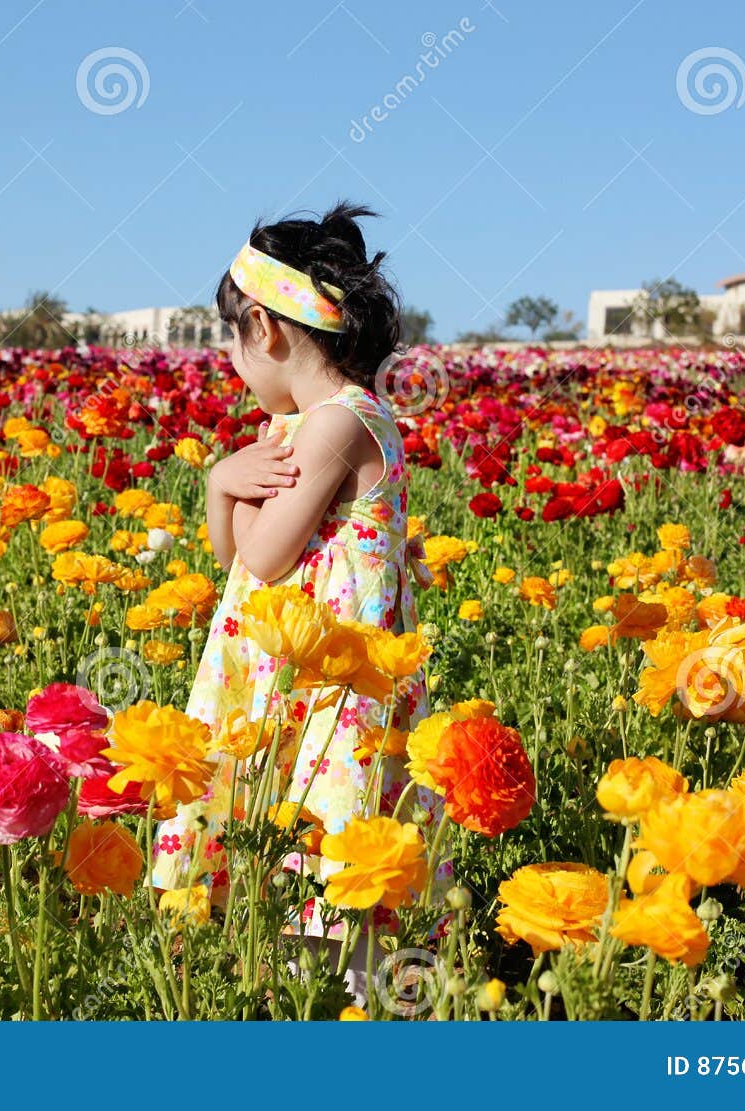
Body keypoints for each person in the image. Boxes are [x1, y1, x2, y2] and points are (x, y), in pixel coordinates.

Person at [150, 203, 441, 998]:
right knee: (289, 826)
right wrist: (223, 493)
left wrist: (219, 479)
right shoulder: (298, 423)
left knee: (326, 823)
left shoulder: (339, 425)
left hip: (333, 688)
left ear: (265, 330)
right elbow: (233, 560)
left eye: (231, 340)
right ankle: (314, 994)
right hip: (293, 674)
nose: (232, 361)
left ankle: (348, 1000)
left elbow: (267, 554)